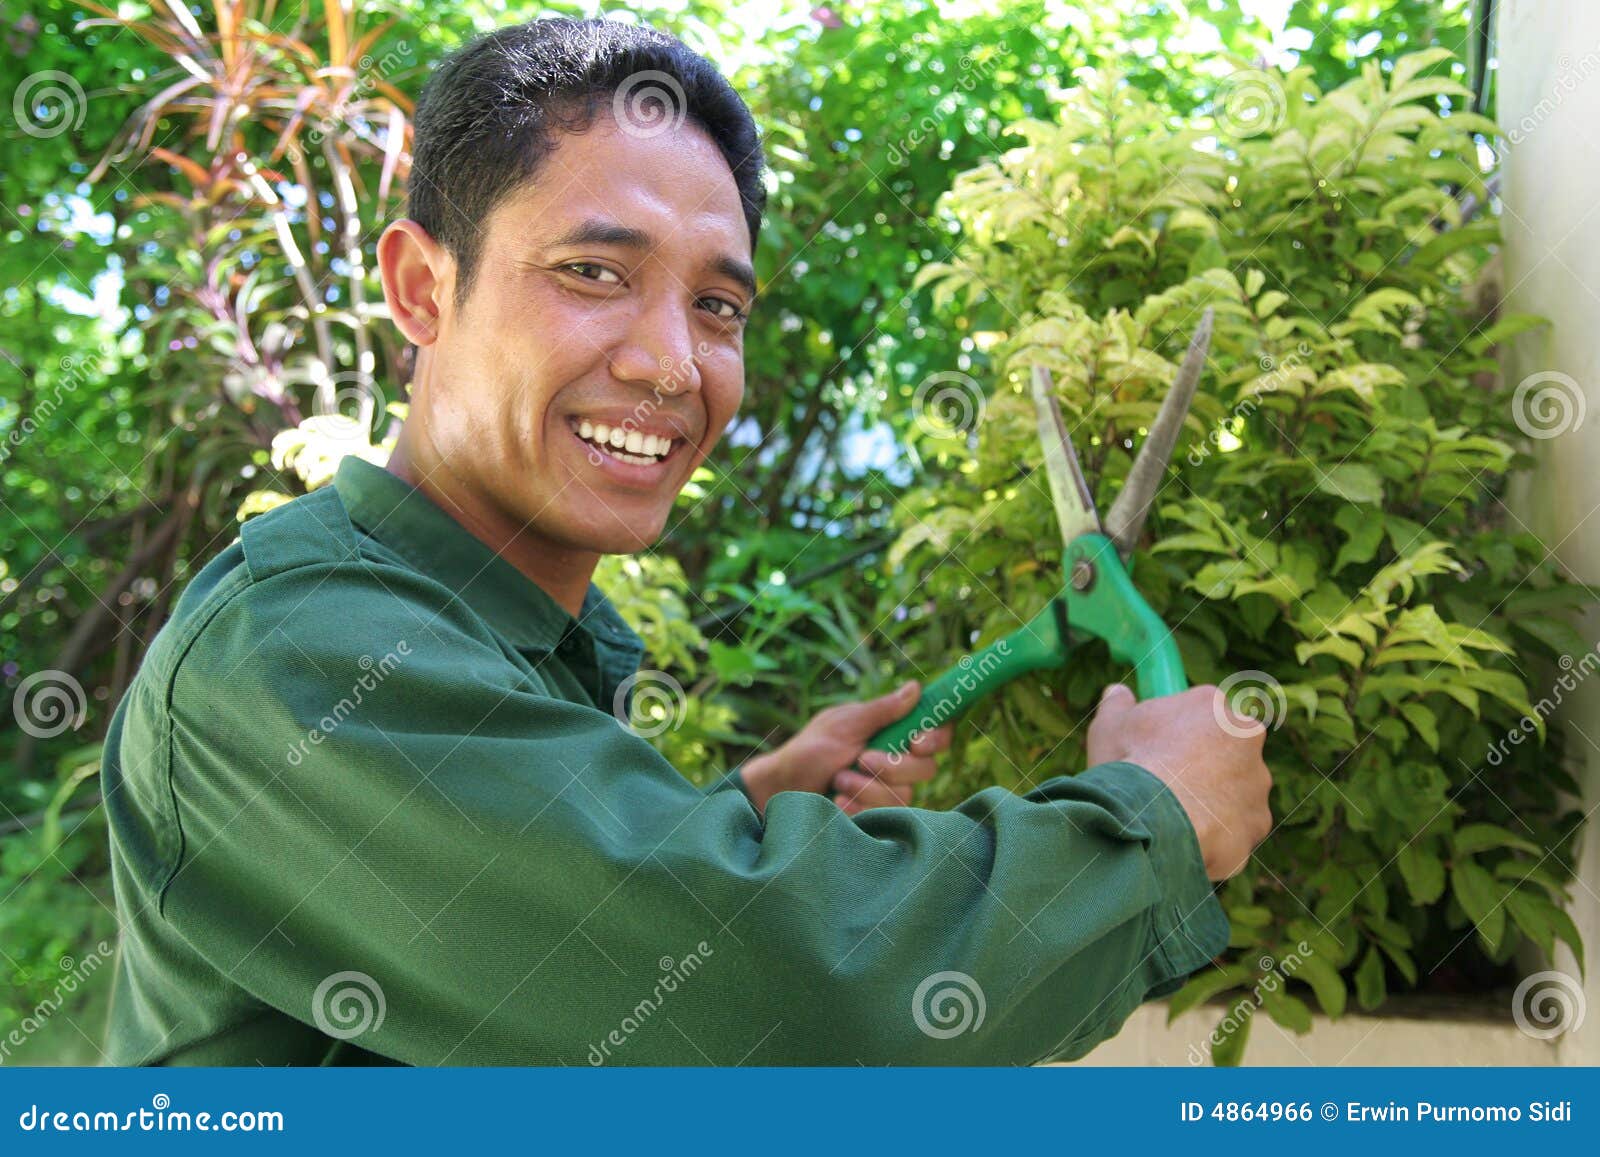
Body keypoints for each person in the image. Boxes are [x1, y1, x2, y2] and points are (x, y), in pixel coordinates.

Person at [101, 16, 1271, 1066]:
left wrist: (745, 811)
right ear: (419, 286)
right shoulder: (298, 652)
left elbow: (556, 962)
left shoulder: (495, 630)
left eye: (717, 306)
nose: (671, 363)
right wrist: (1155, 815)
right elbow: (794, 1009)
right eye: (593, 272)